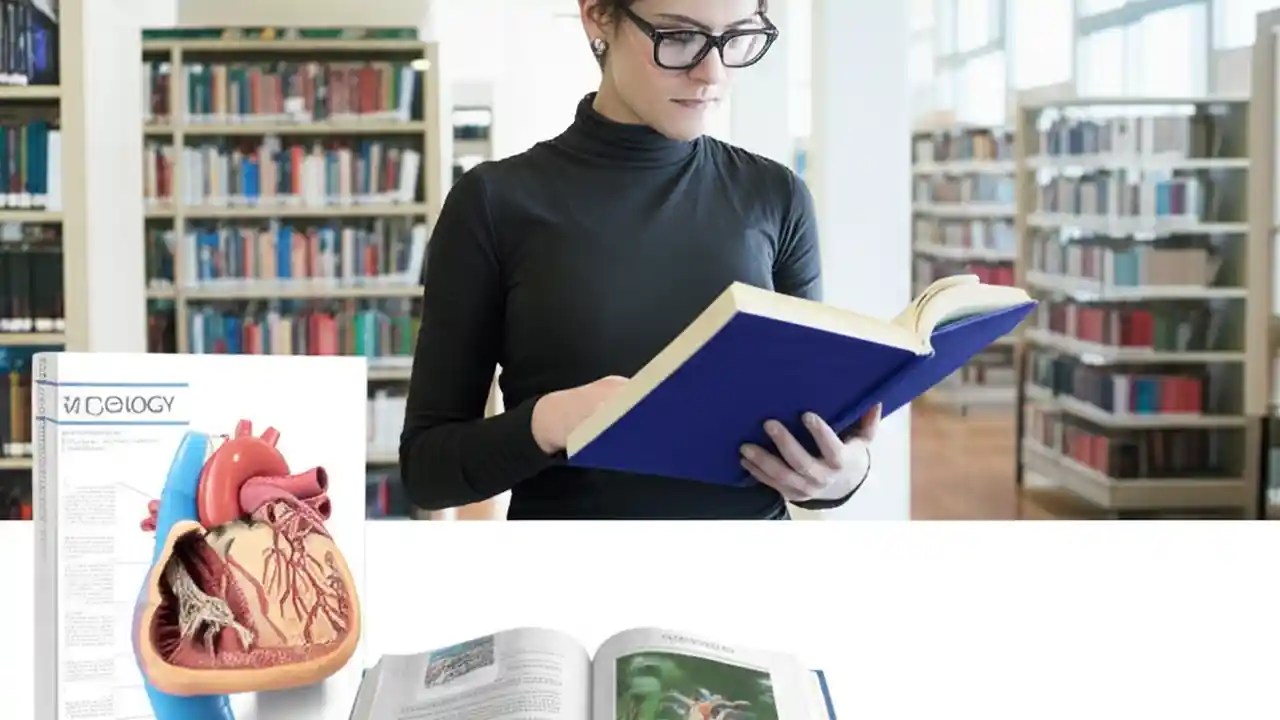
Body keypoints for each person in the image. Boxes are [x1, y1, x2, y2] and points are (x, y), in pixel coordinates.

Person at [399, 0, 880, 520]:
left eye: (737, 37)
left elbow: (811, 430)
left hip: (750, 581)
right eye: (677, 36)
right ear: (598, 16)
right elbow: (428, 471)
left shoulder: (777, 196)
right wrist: (553, 421)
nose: (712, 73)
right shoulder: (493, 202)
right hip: (569, 584)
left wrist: (843, 473)